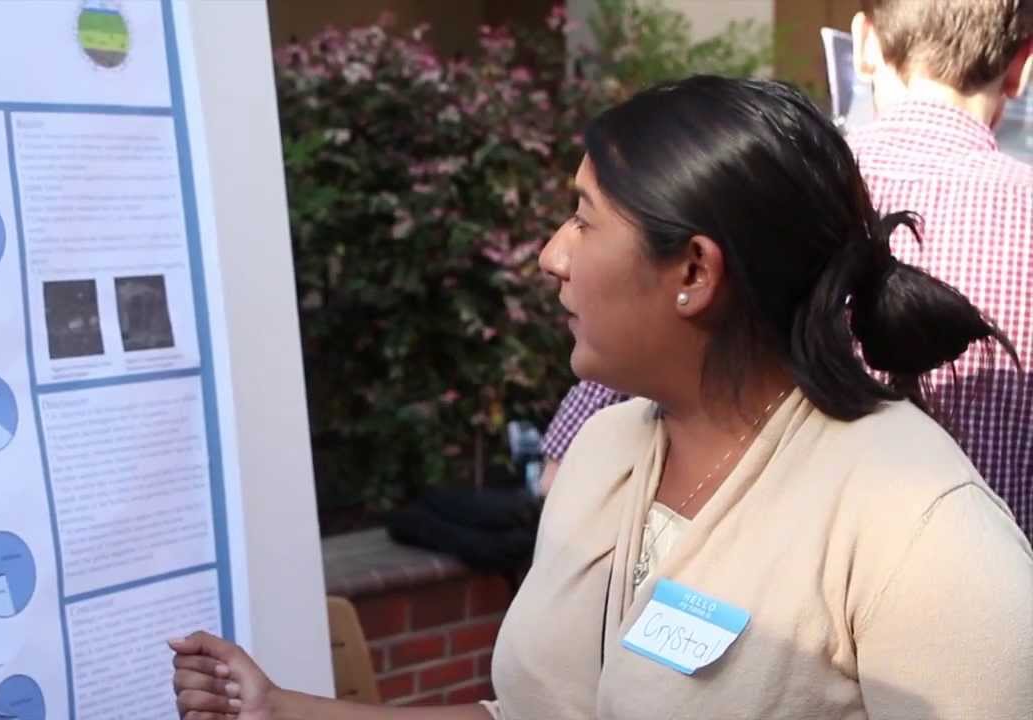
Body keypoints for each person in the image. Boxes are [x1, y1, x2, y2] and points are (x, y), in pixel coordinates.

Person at [171, 76, 1033, 719]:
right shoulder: (607, 452)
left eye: (583, 219)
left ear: (693, 272)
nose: (552, 254)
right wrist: (282, 708)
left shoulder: (921, 531)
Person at [540, 0, 1033, 539]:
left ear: (864, 46)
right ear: (1021, 67)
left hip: (757, 591)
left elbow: (562, 472)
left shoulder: (761, 179)